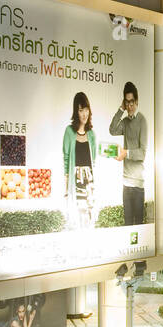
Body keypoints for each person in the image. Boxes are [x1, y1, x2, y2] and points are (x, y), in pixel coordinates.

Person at [110, 81, 148, 276]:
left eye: (132, 102)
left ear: (137, 101)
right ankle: (126, 263)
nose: (130, 105)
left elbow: (142, 152)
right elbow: (112, 129)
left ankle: (140, 263)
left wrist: (126, 154)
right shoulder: (125, 122)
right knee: (127, 226)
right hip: (126, 182)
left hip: (138, 183)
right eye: (127, 102)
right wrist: (119, 109)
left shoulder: (142, 121)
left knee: (138, 225)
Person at [62, 92, 98, 228]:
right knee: (77, 217)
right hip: (75, 179)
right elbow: (66, 160)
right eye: (81, 110)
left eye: (86, 109)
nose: (84, 114)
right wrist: (66, 189)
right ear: (76, 112)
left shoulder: (92, 134)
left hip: (89, 180)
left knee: (89, 216)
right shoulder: (69, 131)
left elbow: (93, 161)